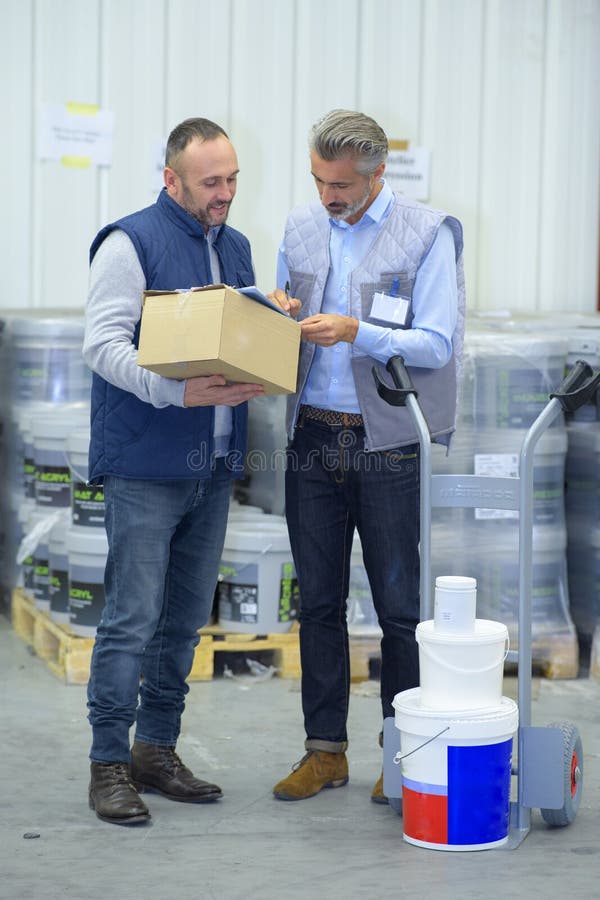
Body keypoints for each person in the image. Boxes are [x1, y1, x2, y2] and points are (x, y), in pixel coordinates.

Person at [270, 109, 465, 803]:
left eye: (343, 185)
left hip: (387, 445)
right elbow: (279, 318)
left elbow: (438, 342)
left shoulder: (427, 234)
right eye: (320, 180)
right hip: (312, 441)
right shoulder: (298, 227)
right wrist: (274, 310)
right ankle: (324, 753)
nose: (329, 196)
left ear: (379, 174)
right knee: (318, 603)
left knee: (399, 610)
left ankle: (404, 755)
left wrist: (358, 332)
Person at [83, 117, 265, 826]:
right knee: (131, 620)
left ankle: (154, 749)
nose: (224, 194)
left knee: (184, 623)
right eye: (210, 182)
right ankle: (107, 762)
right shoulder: (131, 242)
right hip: (145, 465)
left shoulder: (237, 248)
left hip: (212, 466)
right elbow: (102, 345)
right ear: (172, 179)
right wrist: (174, 390)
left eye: (232, 179)